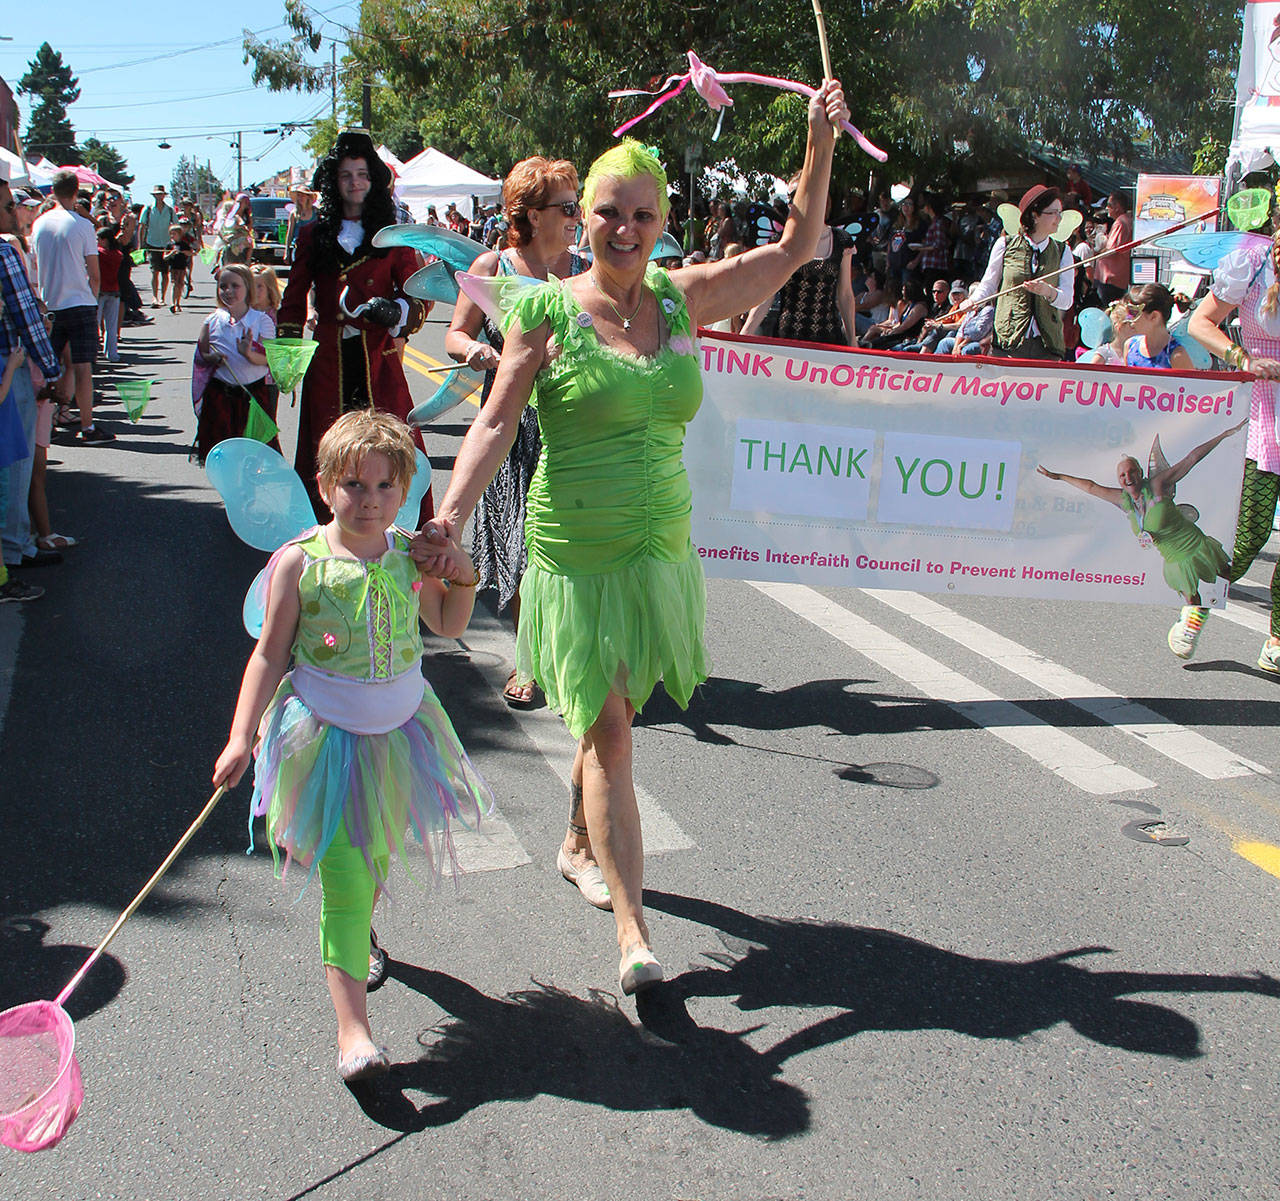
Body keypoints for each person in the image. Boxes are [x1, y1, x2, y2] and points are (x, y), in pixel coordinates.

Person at [414, 81, 849, 995]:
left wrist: (819, 143)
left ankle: (578, 840)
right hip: (574, 550)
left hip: (660, 551)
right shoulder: (542, 311)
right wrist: (448, 516)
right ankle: (635, 936)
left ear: (662, 220)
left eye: (642, 214)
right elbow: (494, 425)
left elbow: (797, 245)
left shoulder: (684, 298)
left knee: (612, 705)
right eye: (607, 211)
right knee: (613, 733)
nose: (623, 227)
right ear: (584, 219)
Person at [212, 409, 489, 1081]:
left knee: (376, 853)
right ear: (324, 483)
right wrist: (241, 734)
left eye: (383, 487)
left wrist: (461, 573)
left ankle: (358, 923)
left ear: (404, 491)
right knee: (345, 877)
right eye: (353, 485)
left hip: (399, 739)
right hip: (328, 743)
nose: (368, 500)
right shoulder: (299, 563)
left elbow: (449, 624)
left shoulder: (407, 556)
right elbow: (268, 654)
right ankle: (354, 1032)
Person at [444, 156, 586, 711]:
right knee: (524, 542)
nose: (577, 216)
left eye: (577, 206)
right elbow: (455, 335)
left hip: (567, 421)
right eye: (567, 207)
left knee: (565, 544)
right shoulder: (495, 266)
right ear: (528, 213)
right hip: (511, 421)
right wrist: (478, 350)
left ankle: (568, 653)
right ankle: (529, 661)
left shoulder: (584, 270)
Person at [276, 130, 429, 518]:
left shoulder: (392, 236)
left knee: (392, 446)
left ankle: (402, 531)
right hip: (328, 362)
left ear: (373, 180)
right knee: (325, 446)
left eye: (361, 174)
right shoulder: (314, 234)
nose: (355, 183)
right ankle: (325, 538)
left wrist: (397, 312)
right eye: (346, 175)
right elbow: (294, 297)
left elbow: (419, 293)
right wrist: (285, 358)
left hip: (377, 360)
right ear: (335, 182)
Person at [1037, 419, 1248, 658]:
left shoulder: (1158, 485)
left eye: (1132, 472)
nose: (1128, 478)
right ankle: (1189, 629)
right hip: (1174, 558)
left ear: (1140, 473)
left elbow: (1191, 459)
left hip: (1194, 544)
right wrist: (1059, 477)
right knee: (1193, 597)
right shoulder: (1124, 501)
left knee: (1228, 575)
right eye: (1122, 475)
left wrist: (1224, 434)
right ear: (1119, 480)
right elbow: (1091, 487)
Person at [1186, 223, 1280, 671]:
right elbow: (1200, 323)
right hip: (1266, 413)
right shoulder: (1253, 262)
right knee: (1248, 540)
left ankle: (1277, 639)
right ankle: (1199, 600)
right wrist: (1244, 358)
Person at [0, 168, 63, 594]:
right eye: (8, 205)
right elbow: (26, 315)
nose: (15, 212)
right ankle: (13, 547)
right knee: (15, 462)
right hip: (9, 366)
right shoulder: (4, 252)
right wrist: (52, 371)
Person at [31, 170, 110, 444]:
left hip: (49, 304)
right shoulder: (82, 225)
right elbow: (94, 271)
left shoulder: (38, 224)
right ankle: (87, 428)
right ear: (76, 192)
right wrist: (93, 298)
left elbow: (35, 265)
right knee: (82, 368)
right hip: (79, 302)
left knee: (48, 368)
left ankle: (48, 421)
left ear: (52, 191)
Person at [969, 184, 1076, 360]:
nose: (1059, 218)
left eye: (1060, 213)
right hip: (1008, 342)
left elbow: (1066, 301)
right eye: (1053, 213)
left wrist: (1048, 291)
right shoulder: (1005, 245)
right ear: (1034, 216)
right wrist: (973, 301)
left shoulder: (1063, 251)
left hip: (1046, 346)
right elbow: (988, 284)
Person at [741, 185, 855, 346]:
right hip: (789, 338)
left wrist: (852, 339)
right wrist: (745, 333)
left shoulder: (842, 240)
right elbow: (768, 293)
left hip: (829, 338)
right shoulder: (782, 241)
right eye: (792, 198)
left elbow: (845, 294)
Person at [194, 265, 278, 463]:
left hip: (253, 395)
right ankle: (229, 491)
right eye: (223, 286)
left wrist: (248, 354)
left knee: (254, 453)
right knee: (224, 453)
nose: (228, 291)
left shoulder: (261, 320)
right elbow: (203, 354)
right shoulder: (213, 320)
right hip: (220, 394)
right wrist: (212, 359)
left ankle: (249, 490)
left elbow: (269, 360)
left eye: (235, 286)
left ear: (247, 287)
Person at [1122, 283, 1193, 370]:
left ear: (1154, 316)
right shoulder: (1130, 346)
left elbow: (1188, 383)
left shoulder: (1176, 355)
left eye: (1133, 313)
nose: (1128, 319)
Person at [1091, 192, 1133, 306]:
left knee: (1107, 311)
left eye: (1109, 205)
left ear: (1117, 207)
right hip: (1117, 278)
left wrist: (1096, 254)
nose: (1107, 208)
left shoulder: (1121, 222)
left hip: (1111, 279)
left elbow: (1112, 250)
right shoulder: (1126, 220)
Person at [1077, 296, 1141, 366]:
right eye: (1132, 326)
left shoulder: (1134, 352)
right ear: (1119, 326)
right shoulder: (1105, 352)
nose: (1137, 330)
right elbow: (1090, 373)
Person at [139, 185, 175, 307]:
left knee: (165, 273)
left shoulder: (170, 210)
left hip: (166, 244)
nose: (159, 196)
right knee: (154, 271)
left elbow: (176, 226)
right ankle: (155, 297)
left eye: (161, 194)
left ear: (164, 195)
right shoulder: (148, 209)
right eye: (157, 194)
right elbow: (142, 226)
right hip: (152, 243)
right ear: (154, 196)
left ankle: (163, 298)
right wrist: (141, 244)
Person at [95, 223, 123, 362]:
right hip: (114, 290)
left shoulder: (99, 253)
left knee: (95, 324)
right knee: (111, 326)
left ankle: (93, 353)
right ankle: (112, 353)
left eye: (98, 239)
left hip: (100, 291)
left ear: (104, 240)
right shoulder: (118, 254)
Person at [284, 182, 318, 264]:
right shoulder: (294, 213)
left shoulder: (316, 212)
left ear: (308, 197)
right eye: (298, 195)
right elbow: (290, 233)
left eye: (303, 195)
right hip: (298, 248)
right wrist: (287, 251)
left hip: (313, 249)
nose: (300, 198)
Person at [164, 223, 192, 313]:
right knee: (174, 283)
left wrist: (184, 252)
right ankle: (173, 303)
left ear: (180, 234)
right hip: (173, 267)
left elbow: (191, 253)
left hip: (182, 266)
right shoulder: (169, 245)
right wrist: (171, 253)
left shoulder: (184, 244)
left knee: (180, 284)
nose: (172, 236)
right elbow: (164, 257)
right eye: (171, 234)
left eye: (174, 234)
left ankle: (178, 303)